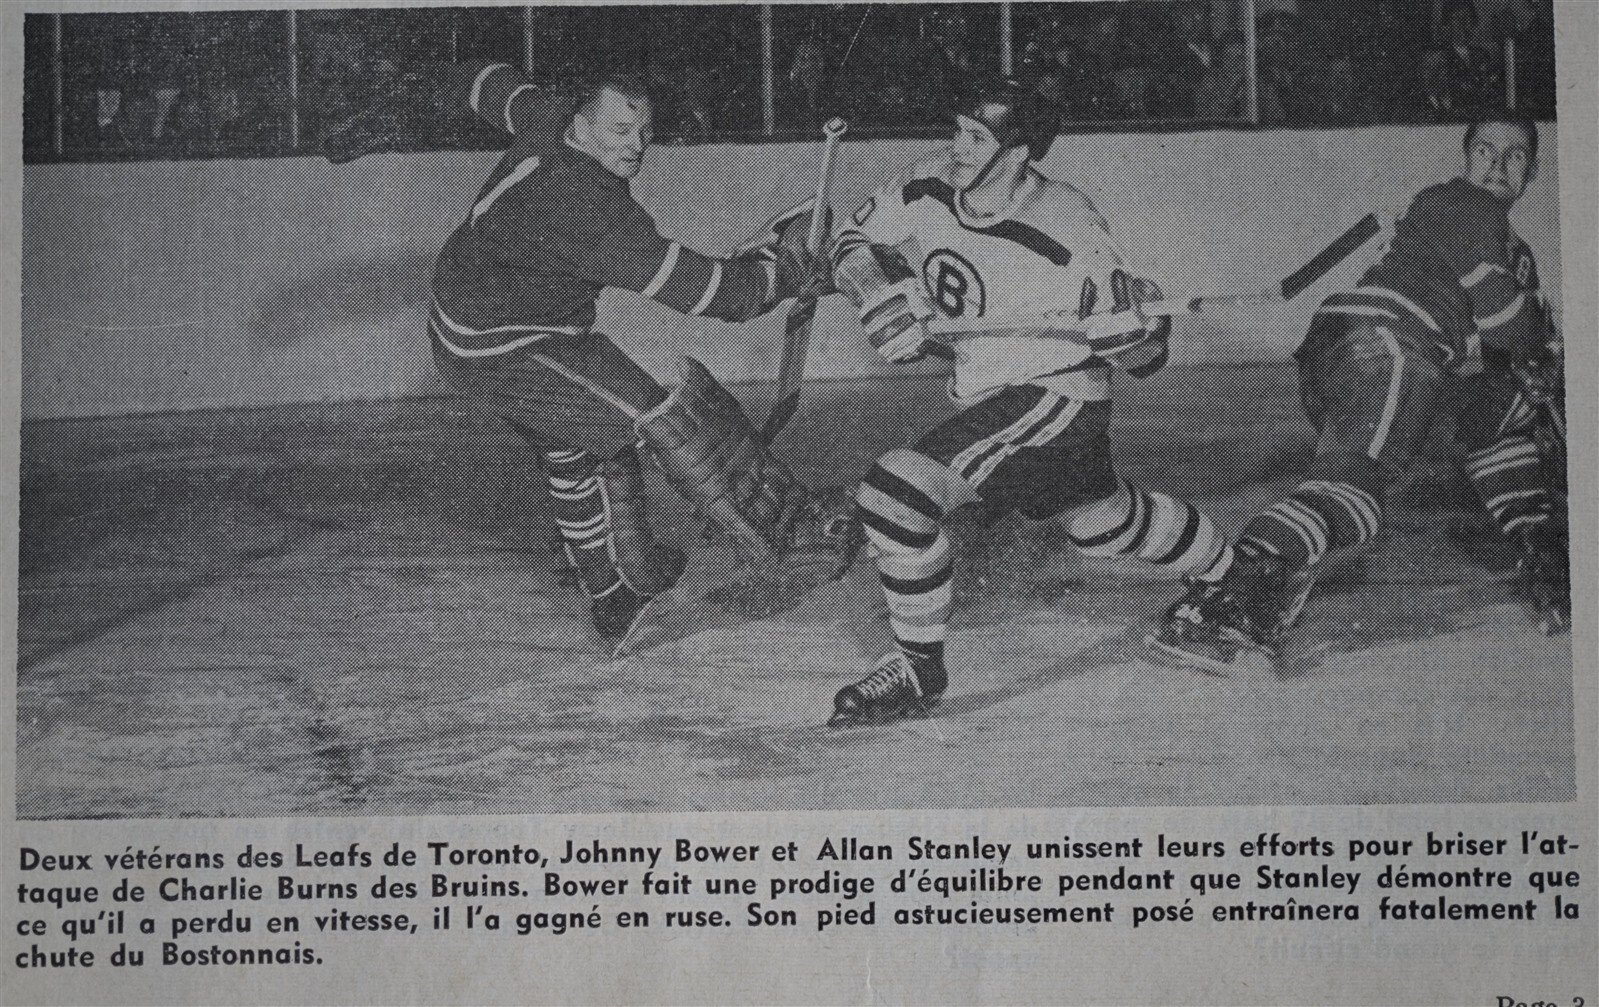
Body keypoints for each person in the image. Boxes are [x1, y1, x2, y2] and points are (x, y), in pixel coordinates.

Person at [324, 62, 850, 648]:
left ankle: (617, 592)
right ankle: (791, 530)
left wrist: (382, 117)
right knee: (664, 419)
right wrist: (789, 271)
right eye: (620, 132)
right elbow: (716, 295)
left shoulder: (547, 115)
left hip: (486, 321)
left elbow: (476, 81)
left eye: (644, 131)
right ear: (583, 122)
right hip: (506, 346)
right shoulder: (587, 209)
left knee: (578, 444)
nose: (636, 147)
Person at [825, 77, 1236, 725]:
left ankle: (916, 668)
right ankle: (1232, 573)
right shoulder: (928, 183)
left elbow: (1144, 356)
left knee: (893, 494)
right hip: (993, 396)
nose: (956, 148)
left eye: (976, 138)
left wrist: (1133, 328)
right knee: (1102, 524)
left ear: (1017, 153)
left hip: (1058, 394)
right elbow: (848, 242)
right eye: (957, 130)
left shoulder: (1067, 222)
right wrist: (879, 293)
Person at [1152, 115, 1567, 674]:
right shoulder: (1460, 204)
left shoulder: (1518, 254)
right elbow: (1508, 325)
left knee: (1494, 420)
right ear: (1466, 159)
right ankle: (1224, 601)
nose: (1496, 165)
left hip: (1371, 356)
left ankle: (1539, 544)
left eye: (1514, 155)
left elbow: (1504, 376)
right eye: (1485, 151)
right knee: (1356, 497)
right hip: (1387, 344)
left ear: (1532, 171)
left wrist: (1532, 376)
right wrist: (1545, 351)